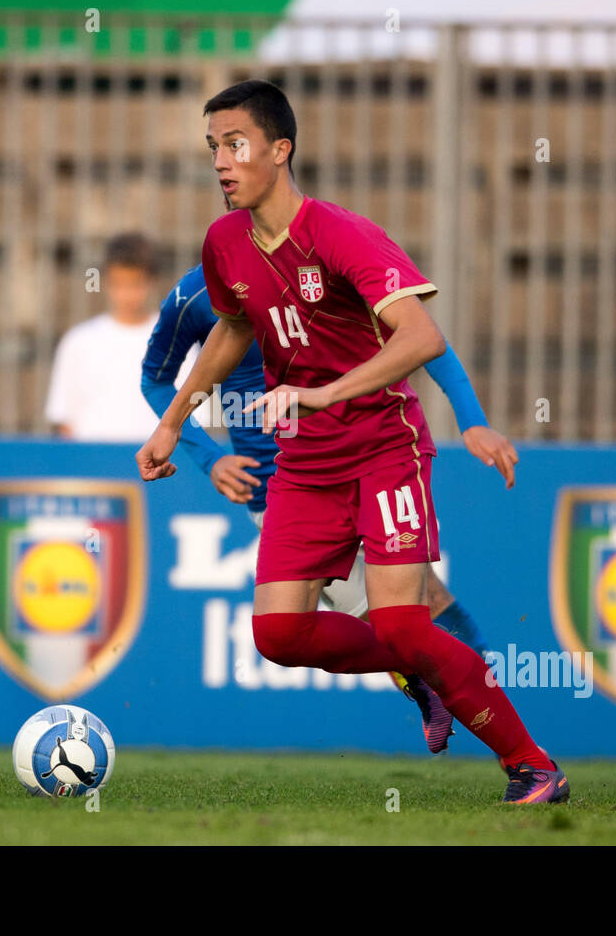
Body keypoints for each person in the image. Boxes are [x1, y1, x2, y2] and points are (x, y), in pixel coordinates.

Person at [137, 80, 568, 803]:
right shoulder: (222, 245)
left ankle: (531, 763)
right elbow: (236, 327)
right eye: (213, 146)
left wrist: (336, 395)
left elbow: (422, 334)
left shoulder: (340, 233)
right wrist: (176, 420)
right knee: (279, 633)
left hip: (381, 447)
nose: (221, 161)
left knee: (404, 617)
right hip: (306, 464)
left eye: (235, 144)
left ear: (281, 150)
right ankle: (428, 667)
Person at [141, 260, 497, 754]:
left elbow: (418, 336)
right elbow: (156, 379)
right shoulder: (194, 298)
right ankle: (470, 704)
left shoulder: (327, 267)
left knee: (423, 608)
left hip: (364, 458)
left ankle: (497, 720)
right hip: (284, 489)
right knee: (395, 625)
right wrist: (210, 458)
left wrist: (471, 418)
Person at [46, 233, 177, 441]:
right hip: (91, 468)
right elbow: (65, 420)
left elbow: (194, 417)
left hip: (157, 468)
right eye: (119, 283)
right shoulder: (78, 341)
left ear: (151, 281)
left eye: (135, 284)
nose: (126, 294)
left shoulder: (178, 340)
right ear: (106, 281)